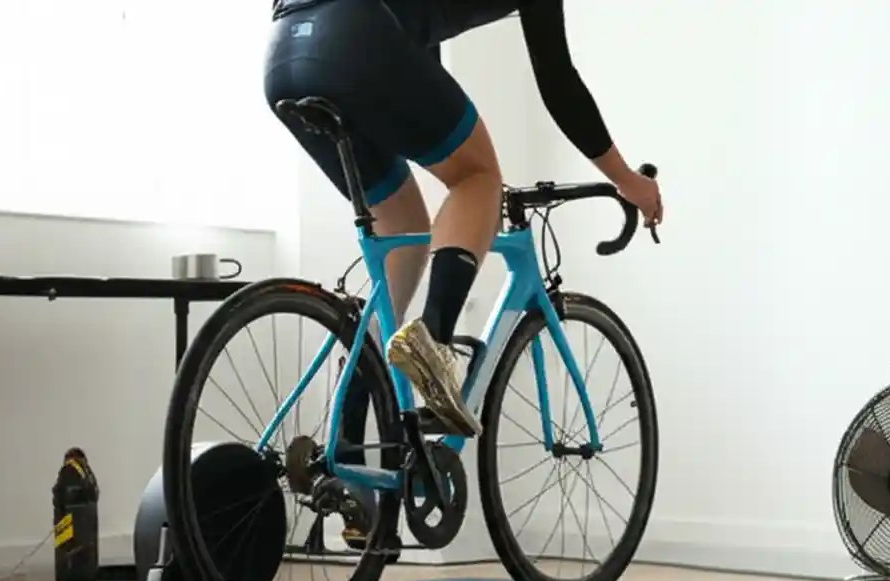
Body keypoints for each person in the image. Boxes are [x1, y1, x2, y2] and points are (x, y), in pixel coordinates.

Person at [265, 0, 663, 437]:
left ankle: (353, 420)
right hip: (356, 34)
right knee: (477, 178)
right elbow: (558, 81)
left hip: (285, 54)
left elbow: (418, 63)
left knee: (403, 224)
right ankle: (432, 344)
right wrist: (625, 179)